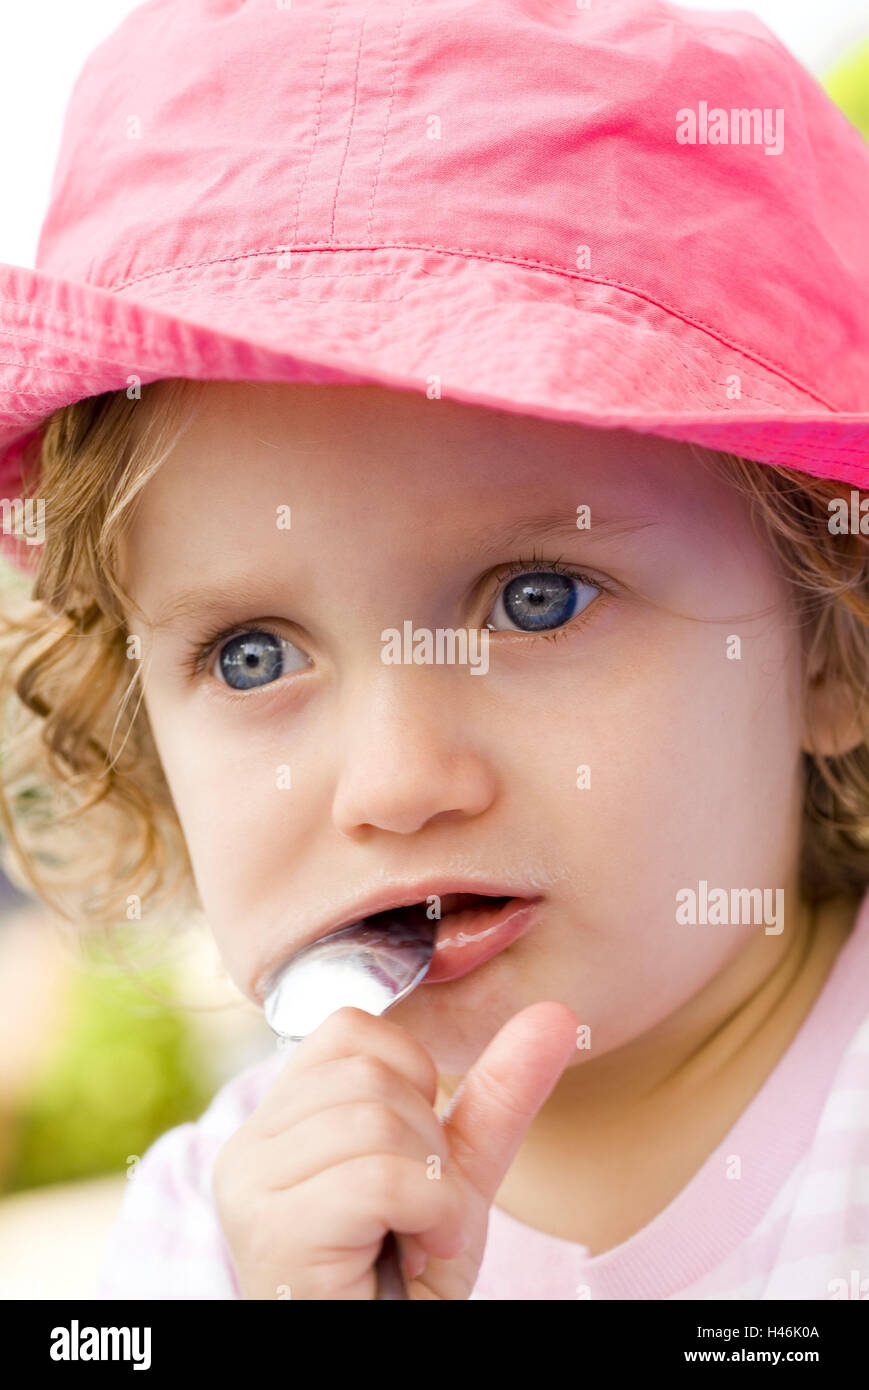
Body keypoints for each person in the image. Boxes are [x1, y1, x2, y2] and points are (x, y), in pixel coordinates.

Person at [0, 0, 867, 1300]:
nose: (396, 781)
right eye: (251, 654)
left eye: (535, 599)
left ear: (828, 646)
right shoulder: (216, 1243)